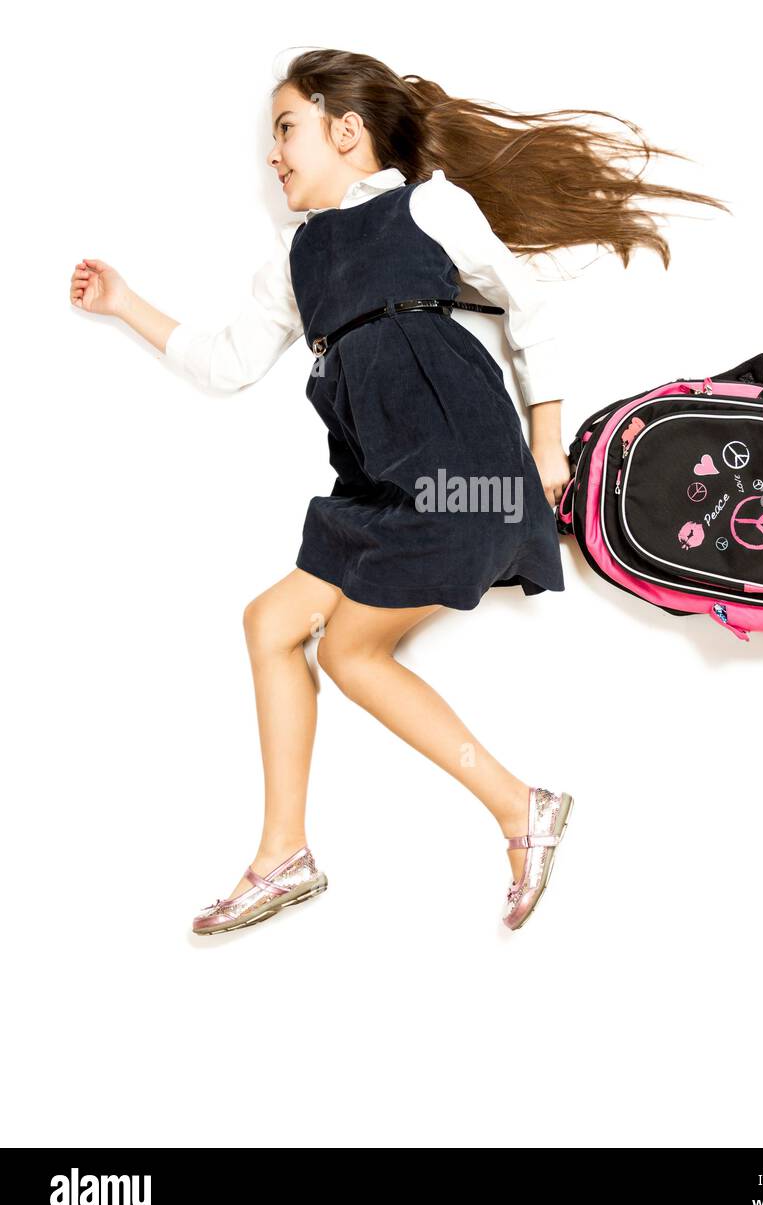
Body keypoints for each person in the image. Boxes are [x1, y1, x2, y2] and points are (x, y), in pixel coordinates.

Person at [69, 48, 727, 934]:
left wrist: (547, 446)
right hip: (383, 484)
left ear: (346, 132)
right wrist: (124, 303)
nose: (273, 154)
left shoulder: (429, 205)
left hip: (467, 476)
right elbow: (223, 362)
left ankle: (516, 808)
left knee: (347, 653)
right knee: (269, 625)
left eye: (285, 129)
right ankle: (284, 855)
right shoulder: (297, 255)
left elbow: (530, 306)